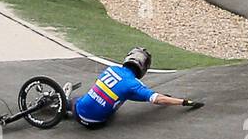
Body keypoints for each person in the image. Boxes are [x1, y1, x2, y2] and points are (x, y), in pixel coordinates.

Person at [61, 48, 203, 129]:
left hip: (80, 112)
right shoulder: (134, 85)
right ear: (143, 68)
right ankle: (63, 109)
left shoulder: (111, 69)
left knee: (76, 100)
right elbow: (157, 99)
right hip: (97, 123)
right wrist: (184, 102)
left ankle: (60, 105)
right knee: (122, 96)